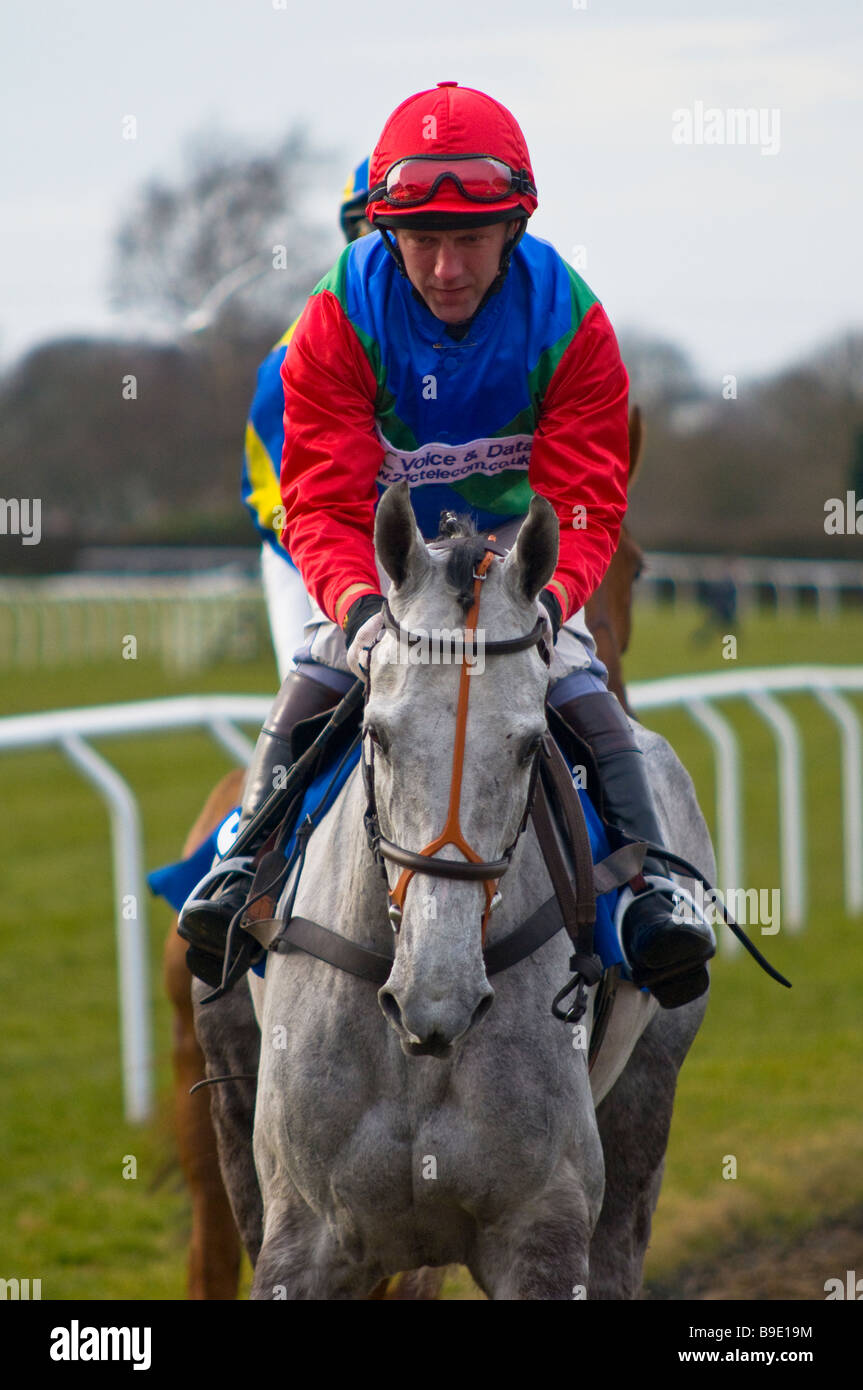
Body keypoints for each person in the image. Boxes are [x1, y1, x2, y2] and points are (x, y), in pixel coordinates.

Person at [180, 82, 715, 1007]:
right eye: (421, 238)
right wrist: (355, 610)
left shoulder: (572, 319)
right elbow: (321, 499)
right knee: (321, 672)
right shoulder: (335, 317)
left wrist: (545, 603)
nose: (444, 266)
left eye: (468, 238)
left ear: (513, 228)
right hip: (385, 553)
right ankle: (242, 870)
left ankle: (650, 887)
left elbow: (585, 499)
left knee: (578, 682)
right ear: (384, 231)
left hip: (514, 550)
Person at [241, 157, 373, 678]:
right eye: (372, 228)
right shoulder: (294, 355)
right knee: (315, 696)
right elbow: (273, 495)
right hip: (306, 554)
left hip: (415, 553)